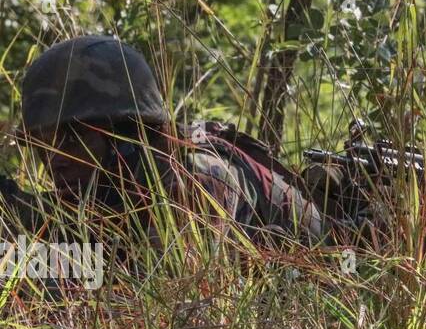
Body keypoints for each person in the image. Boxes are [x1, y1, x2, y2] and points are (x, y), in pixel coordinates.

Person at [7, 35, 322, 267]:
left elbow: (167, 294)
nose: (55, 160)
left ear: (128, 136)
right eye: (41, 145)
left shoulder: (198, 184)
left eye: (72, 140)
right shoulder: (98, 191)